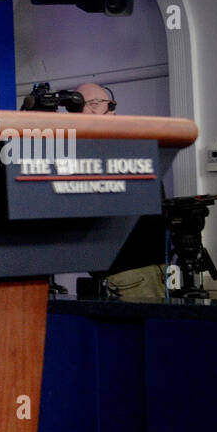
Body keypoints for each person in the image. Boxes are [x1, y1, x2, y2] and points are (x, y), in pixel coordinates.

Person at [75, 82, 169, 301]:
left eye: (97, 104)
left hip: (133, 272)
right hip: (126, 271)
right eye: (80, 105)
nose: (88, 110)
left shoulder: (120, 150)